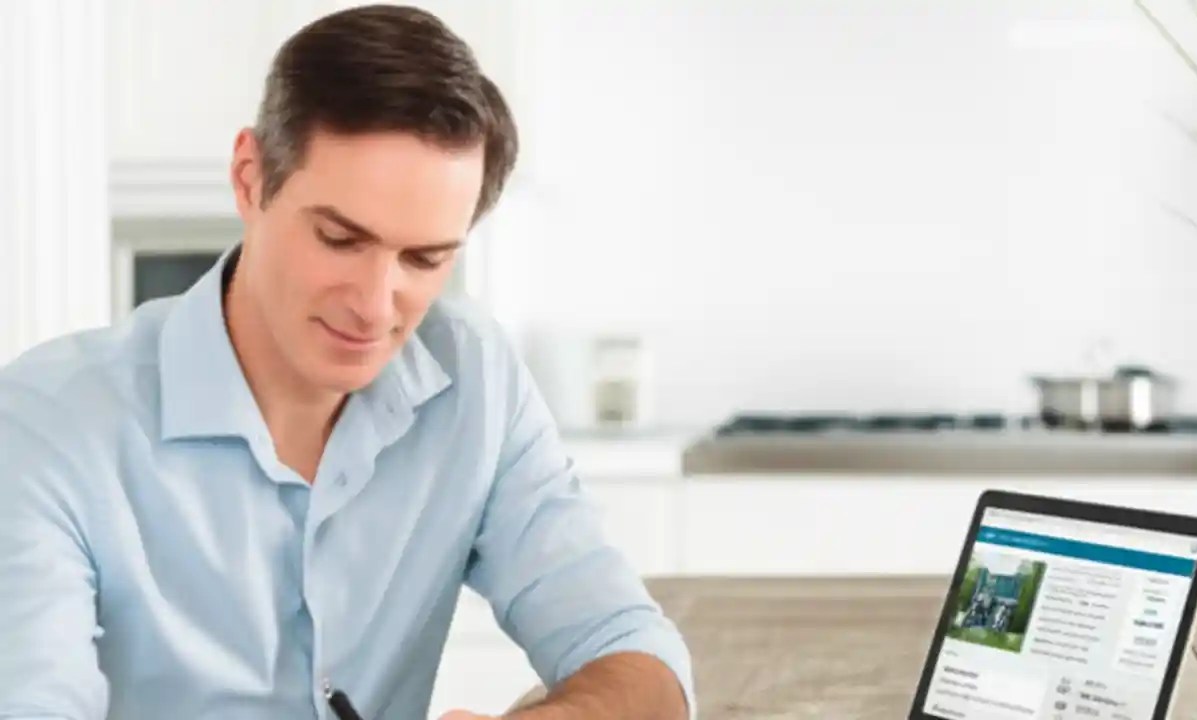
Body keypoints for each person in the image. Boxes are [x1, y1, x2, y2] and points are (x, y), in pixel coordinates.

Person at [0, 5, 693, 719]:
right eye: (338, 239)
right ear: (250, 179)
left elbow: (631, 649)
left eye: (425, 259)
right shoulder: (45, 426)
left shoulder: (475, 380)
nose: (374, 304)